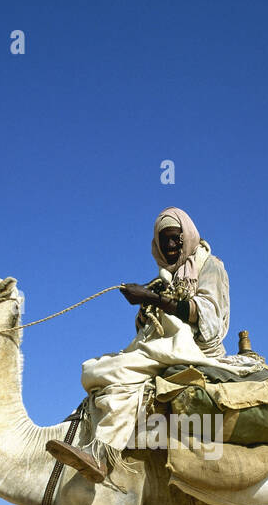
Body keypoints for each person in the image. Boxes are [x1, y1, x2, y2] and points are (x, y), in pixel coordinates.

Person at [45, 207, 232, 483]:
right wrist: (147, 306)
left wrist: (154, 299)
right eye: (163, 240)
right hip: (167, 346)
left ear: (187, 236)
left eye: (175, 238)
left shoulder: (209, 266)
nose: (169, 246)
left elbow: (209, 320)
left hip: (195, 349)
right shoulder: (167, 277)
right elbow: (151, 325)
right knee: (101, 369)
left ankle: (102, 453)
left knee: (114, 371)